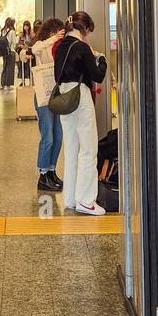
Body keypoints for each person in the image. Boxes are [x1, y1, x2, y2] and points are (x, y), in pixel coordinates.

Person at [54, 11, 108, 215]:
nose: (88, 36)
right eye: (88, 32)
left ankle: (70, 198)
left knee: (72, 148)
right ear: (84, 29)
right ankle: (86, 200)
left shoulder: (60, 47)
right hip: (81, 97)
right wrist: (100, 59)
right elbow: (98, 76)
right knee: (88, 148)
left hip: (64, 99)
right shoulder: (83, 47)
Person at [32, 18, 66, 192]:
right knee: (48, 137)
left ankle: (52, 170)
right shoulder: (42, 45)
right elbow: (34, 49)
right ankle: (43, 175)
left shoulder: (59, 47)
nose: (59, 35)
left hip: (57, 95)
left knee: (58, 135)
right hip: (43, 96)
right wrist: (53, 39)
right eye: (56, 32)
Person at [0, 16, 17, 91]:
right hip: (11, 52)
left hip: (4, 52)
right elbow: (14, 43)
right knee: (10, 68)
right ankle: (9, 84)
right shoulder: (12, 31)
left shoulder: (3, 30)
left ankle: (2, 84)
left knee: (5, 67)